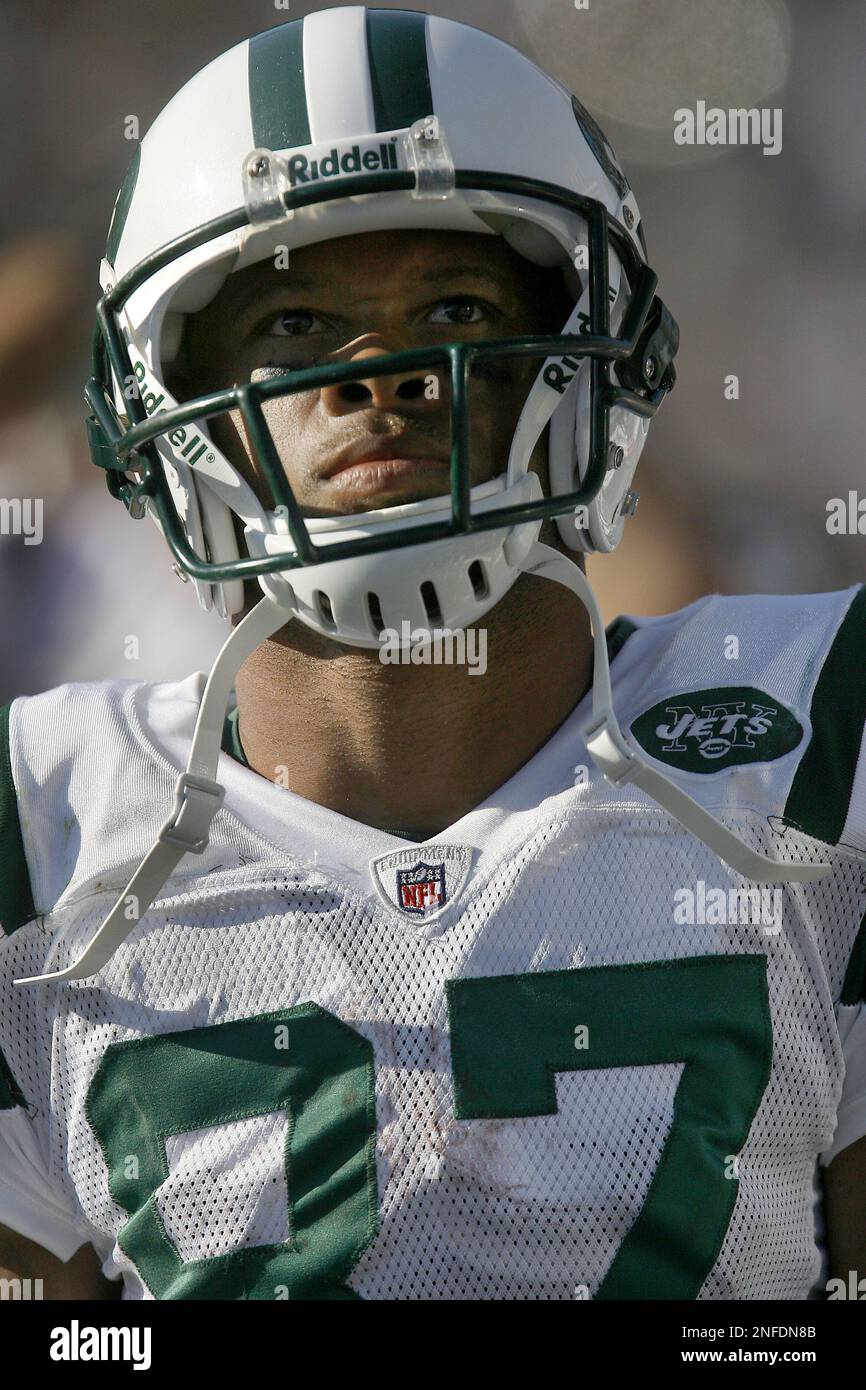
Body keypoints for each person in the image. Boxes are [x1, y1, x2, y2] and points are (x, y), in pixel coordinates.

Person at [1, 8, 863, 1301]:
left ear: (581, 362)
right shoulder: (46, 832)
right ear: (164, 402)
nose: (379, 372)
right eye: (293, 325)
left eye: (452, 305)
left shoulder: (813, 744)